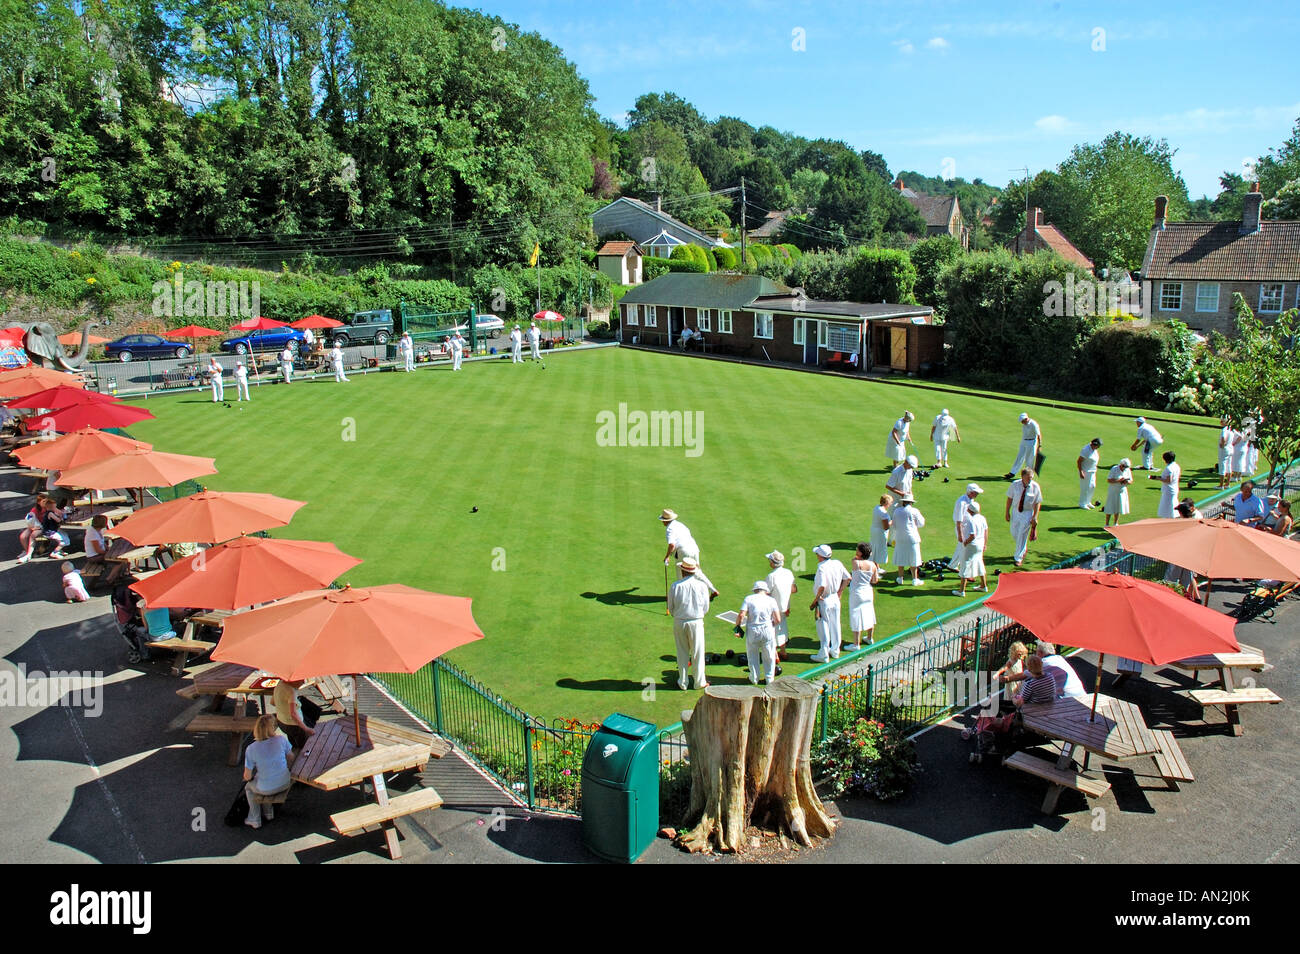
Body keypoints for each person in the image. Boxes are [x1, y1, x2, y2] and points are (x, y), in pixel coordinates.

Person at [242, 714, 295, 829]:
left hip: (266, 788)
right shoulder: (281, 739)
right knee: (264, 781)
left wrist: (250, 778)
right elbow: (291, 757)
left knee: (249, 787)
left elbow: (247, 776)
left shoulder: (251, 748)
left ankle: (254, 819)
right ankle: (268, 812)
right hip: (285, 782)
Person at [667, 559, 711, 690]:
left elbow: (671, 607)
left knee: (682, 652)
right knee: (698, 652)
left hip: (680, 621)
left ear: (683, 570)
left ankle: (683, 682)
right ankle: (699, 682)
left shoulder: (675, 586)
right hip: (696, 621)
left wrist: (679, 616)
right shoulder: (702, 586)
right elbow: (706, 607)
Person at [809, 544, 850, 662]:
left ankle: (824, 653)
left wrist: (816, 599)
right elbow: (847, 578)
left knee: (823, 626)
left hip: (824, 600)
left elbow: (822, 585)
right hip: (834, 599)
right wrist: (840, 592)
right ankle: (835, 651)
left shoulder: (822, 567)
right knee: (835, 624)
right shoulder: (837, 563)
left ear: (820, 556)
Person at [737, 581, 782, 685]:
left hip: (753, 630)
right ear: (766, 591)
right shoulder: (771, 600)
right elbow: (778, 619)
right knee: (769, 654)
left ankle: (754, 678)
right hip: (767, 629)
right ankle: (769, 678)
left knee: (752, 655)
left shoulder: (749, 599)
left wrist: (737, 627)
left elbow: (741, 615)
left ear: (755, 590)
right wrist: (772, 625)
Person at [1004, 468, 1042, 567]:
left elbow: (1038, 502)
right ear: (1022, 477)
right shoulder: (1015, 485)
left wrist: (1035, 516)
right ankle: (1023, 548)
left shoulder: (1035, 487)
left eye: (1031, 477)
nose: (1030, 479)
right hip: (1016, 511)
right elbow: (1009, 498)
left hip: (1027, 512)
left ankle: (1018, 558)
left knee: (1022, 534)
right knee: (1014, 532)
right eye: (1028, 478)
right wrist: (1007, 512)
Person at [846, 542, 880, 650]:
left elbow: (855, 558)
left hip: (857, 593)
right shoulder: (873, 565)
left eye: (857, 550)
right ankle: (870, 638)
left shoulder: (855, 562)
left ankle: (856, 644)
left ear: (860, 552)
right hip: (868, 592)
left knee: (856, 615)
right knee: (869, 613)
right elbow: (874, 580)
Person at [765, 550, 796, 662]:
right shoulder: (789, 572)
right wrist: (787, 605)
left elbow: (766, 593)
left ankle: (775, 655)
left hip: (773, 608)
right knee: (782, 628)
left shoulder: (771, 576)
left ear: (773, 563)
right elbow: (793, 589)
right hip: (785, 607)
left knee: (771, 630)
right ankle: (783, 652)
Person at [954, 500, 989, 595]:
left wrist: (966, 542)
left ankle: (961, 591)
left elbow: (972, 535)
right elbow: (986, 532)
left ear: (970, 510)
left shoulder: (971, 520)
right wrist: (985, 544)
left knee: (965, 565)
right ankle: (983, 586)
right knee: (979, 563)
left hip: (972, 545)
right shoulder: (982, 518)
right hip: (980, 544)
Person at [272, 678, 315, 752]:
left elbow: (272, 702)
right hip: (294, 726)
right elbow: (293, 714)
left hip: (282, 722)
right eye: (302, 680)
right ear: (294, 680)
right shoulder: (291, 692)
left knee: (294, 744)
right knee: (304, 748)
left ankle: (294, 755)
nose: (303, 682)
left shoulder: (280, 684)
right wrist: (306, 729)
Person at [891, 496, 926, 586]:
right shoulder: (915, 511)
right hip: (912, 538)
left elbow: (894, 525)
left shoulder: (897, 511)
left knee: (900, 557)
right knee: (913, 558)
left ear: (903, 502)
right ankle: (914, 579)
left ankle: (900, 578)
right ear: (911, 502)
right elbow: (921, 523)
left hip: (900, 537)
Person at [948, 483, 982, 570]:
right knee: (962, 546)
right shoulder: (961, 502)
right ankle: (952, 565)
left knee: (963, 546)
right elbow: (958, 520)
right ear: (970, 492)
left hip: (968, 527)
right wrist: (960, 534)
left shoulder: (971, 500)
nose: (977, 494)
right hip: (962, 528)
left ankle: (954, 564)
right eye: (976, 492)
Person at [1007, 412, 1041, 479]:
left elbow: (1038, 434)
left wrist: (1040, 445)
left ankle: (1029, 475)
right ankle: (1012, 473)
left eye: (1022, 421)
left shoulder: (1033, 424)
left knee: (1029, 459)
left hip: (1032, 442)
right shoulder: (1024, 425)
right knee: (1019, 456)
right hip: (1024, 441)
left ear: (1026, 419)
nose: (1022, 423)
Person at [1103, 458, 1133, 527]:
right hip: (1113, 490)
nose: (1125, 468)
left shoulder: (1127, 470)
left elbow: (1131, 481)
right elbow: (1109, 480)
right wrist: (1118, 481)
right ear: (1121, 464)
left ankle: (1115, 523)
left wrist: (1127, 482)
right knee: (1110, 506)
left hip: (1122, 491)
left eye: (1126, 467)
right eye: (1124, 466)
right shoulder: (1114, 469)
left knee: (1118, 506)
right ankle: (1106, 524)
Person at [1151, 450, 1181, 518]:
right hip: (1174, 488)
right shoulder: (1176, 466)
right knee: (1172, 507)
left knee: (1168, 509)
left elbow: (1168, 480)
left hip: (1169, 490)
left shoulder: (1169, 468)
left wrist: (1158, 478)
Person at [1076, 438, 1103, 510]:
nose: (1099, 447)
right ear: (1094, 444)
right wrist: (1081, 472)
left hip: (1092, 471)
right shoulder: (1086, 450)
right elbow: (1079, 461)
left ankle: (1088, 502)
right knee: (1085, 488)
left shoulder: (1094, 450)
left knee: (1092, 486)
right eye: (1098, 446)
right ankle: (1082, 503)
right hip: (1085, 471)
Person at [870, 494, 893, 568]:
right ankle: (875, 569)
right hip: (880, 533)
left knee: (874, 549)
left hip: (874, 531)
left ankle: (877, 567)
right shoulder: (884, 513)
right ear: (887, 503)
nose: (891, 504)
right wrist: (892, 521)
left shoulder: (876, 507)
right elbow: (886, 527)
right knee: (878, 551)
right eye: (890, 502)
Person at [1217, 417, 1236, 488]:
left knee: (1222, 466)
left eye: (1222, 421)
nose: (1220, 422)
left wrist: (1222, 445)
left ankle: (1221, 485)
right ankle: (1227, 484)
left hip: (1225, 450)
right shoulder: (1231, 429)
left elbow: (1223, 438)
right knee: (1229, 466)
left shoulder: (1224, 430)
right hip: (1230, 449)